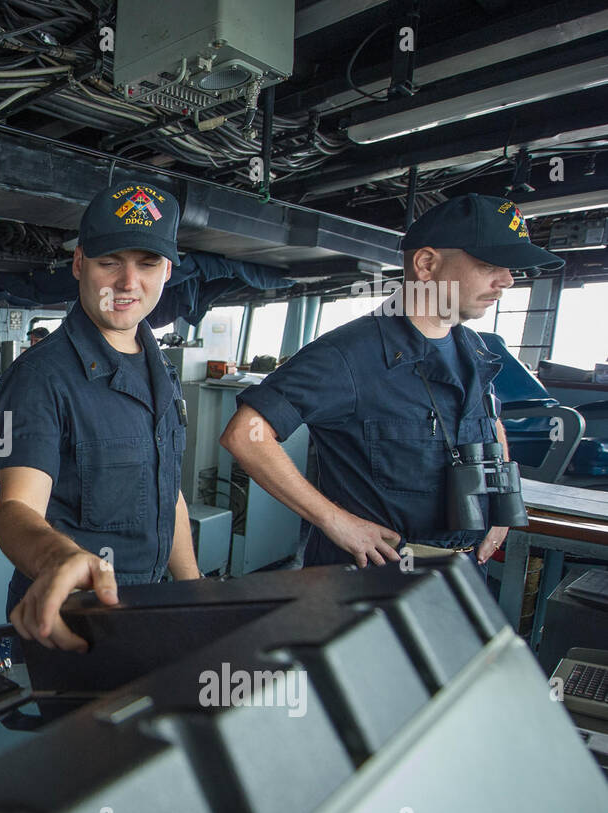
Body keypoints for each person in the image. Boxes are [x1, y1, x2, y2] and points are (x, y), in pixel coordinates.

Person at [220, 193, 564, 568]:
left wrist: (500, 503)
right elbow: (245, 434)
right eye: (489, 265)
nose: (508, 281)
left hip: (462, 572)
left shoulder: (476, 348)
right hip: (373, 581)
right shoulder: (349, 355)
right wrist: (335, 521)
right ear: (427, 264)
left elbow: (489, 420)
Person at [0, 181, 200, 652]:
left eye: (147, 264)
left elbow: (169, 492)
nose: (128, 283)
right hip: (75, 617)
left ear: (166, 269)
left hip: (153, 607)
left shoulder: (159, 366)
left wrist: (193, 591)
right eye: (110, 263)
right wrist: (59, 558)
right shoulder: (37, 379)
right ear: (79, 263)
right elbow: (16, 509)